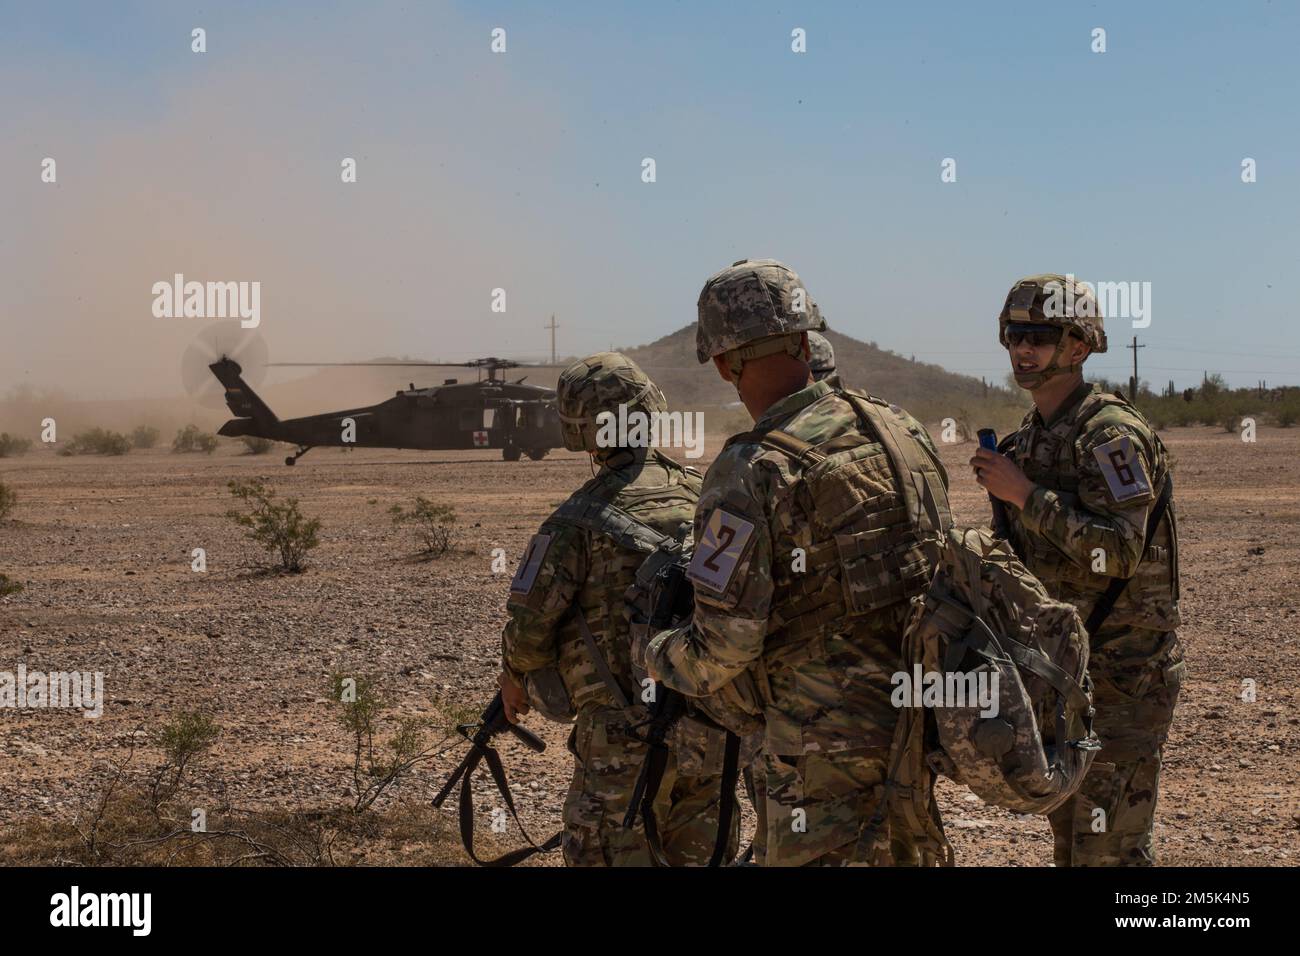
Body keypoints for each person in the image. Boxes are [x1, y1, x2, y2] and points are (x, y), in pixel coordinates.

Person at [642, 259, 950, 866]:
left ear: (726, 363)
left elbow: (724, 646)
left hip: (817, 751)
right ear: (807, 340)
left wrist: (655, 653)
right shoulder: (899, 429)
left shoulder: (747, 470)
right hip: (917, 723)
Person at [969, 274, 1184, 867]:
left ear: (1080, 347)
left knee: (1108, 849)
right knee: (1072, 846)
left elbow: (1119, 552)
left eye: (1040, 335)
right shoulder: (1032, 438)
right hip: (1067, 670)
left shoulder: (1110, 434)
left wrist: (1025, 495)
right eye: (1014, 334)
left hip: (1124, 674)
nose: (1023, 349)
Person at [498, 351, 738, 866]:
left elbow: (528, 631)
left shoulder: (573, 523)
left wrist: (513, 676)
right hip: (709, 727)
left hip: (619, 741)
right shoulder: (710, 499)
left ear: (578, 431)